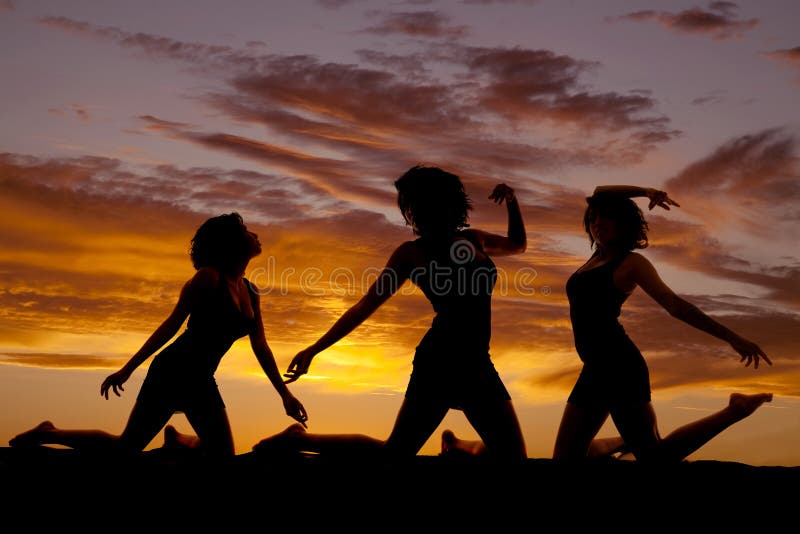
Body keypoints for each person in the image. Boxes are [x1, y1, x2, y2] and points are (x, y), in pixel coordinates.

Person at [440, 186, 773, 464]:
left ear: (624, 224)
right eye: (596, 219)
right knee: (565, 460)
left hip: (619, 367)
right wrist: (645, 191)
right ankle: (617, 441)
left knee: (654, 457)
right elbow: (599, 193)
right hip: (594, 369)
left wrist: (732, 337)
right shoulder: (596, 257)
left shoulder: (631, 263)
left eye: (608, 218)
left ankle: (735, 410)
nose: (600, 224)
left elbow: (675, 306)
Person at [253, 164, 528, 463]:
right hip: (439, 361)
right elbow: (364, 307)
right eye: (409, 207)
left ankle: (458, 446)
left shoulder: (474, 239)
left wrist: (512, 202)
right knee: (395, 452)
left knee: (513, 456)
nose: (412, 213)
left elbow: (517, 245)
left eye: (416, 203)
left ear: (445, 202)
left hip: (476, 360)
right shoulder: (411, 253)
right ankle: (298, 439)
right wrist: (315, 348)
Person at [9, 213, 307, 459]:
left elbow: (261, 346)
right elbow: (171, 325)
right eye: (245, 230)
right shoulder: (208, 278)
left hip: (202, 378)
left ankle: (179, 442)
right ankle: (48, 433)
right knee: (126, 447)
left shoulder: (251, 290)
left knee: (223, 455)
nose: (254, 233)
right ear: (229, 243)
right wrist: (128, 369)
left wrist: (285, 394)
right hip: (173, 371)